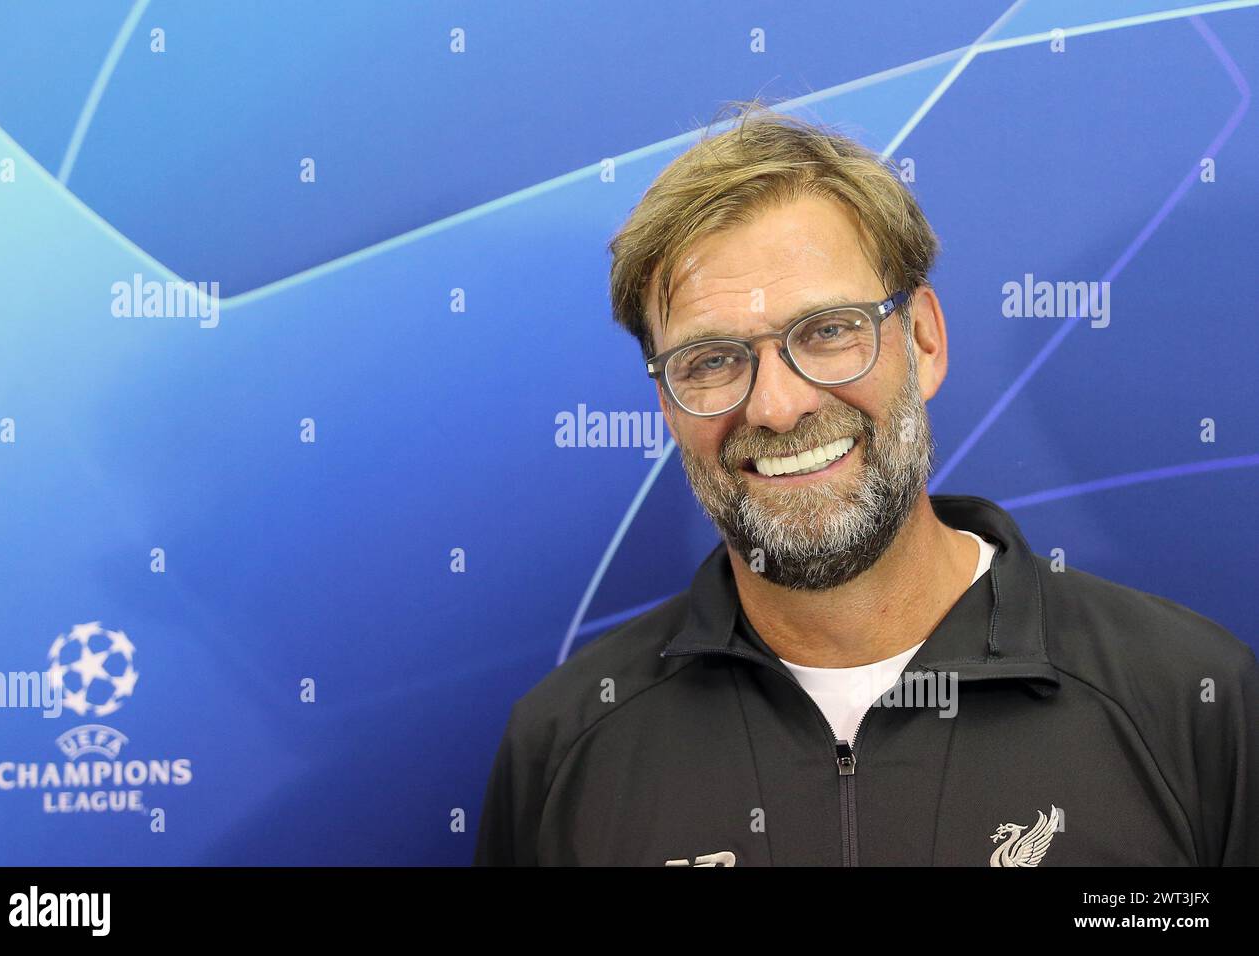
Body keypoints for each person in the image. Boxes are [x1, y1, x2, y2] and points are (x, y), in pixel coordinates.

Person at [474, 102, 1258, 866]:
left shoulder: (1191, 699)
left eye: (827, 331)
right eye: (711, 360)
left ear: (923, 338)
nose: (778, 407)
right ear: (667, 403)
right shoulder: (565, 744)